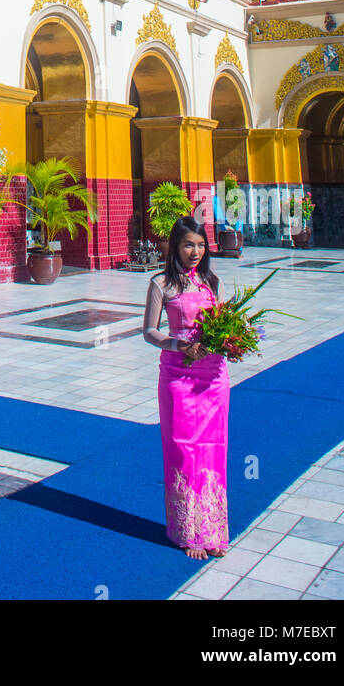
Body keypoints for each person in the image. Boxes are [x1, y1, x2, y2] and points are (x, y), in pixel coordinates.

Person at [142, 214, 229, 561]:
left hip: (214, 375)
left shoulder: (213, 283)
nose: (195, 251)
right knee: (182, 446)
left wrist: (233, 340)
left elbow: (225, 323)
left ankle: (213, 529)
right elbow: (149, 331)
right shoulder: (161, 283)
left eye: (200, 245)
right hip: (178, 375)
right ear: (175, 248)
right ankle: (187, 531)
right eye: (188, 245)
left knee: (213, 447)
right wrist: (178, 345)